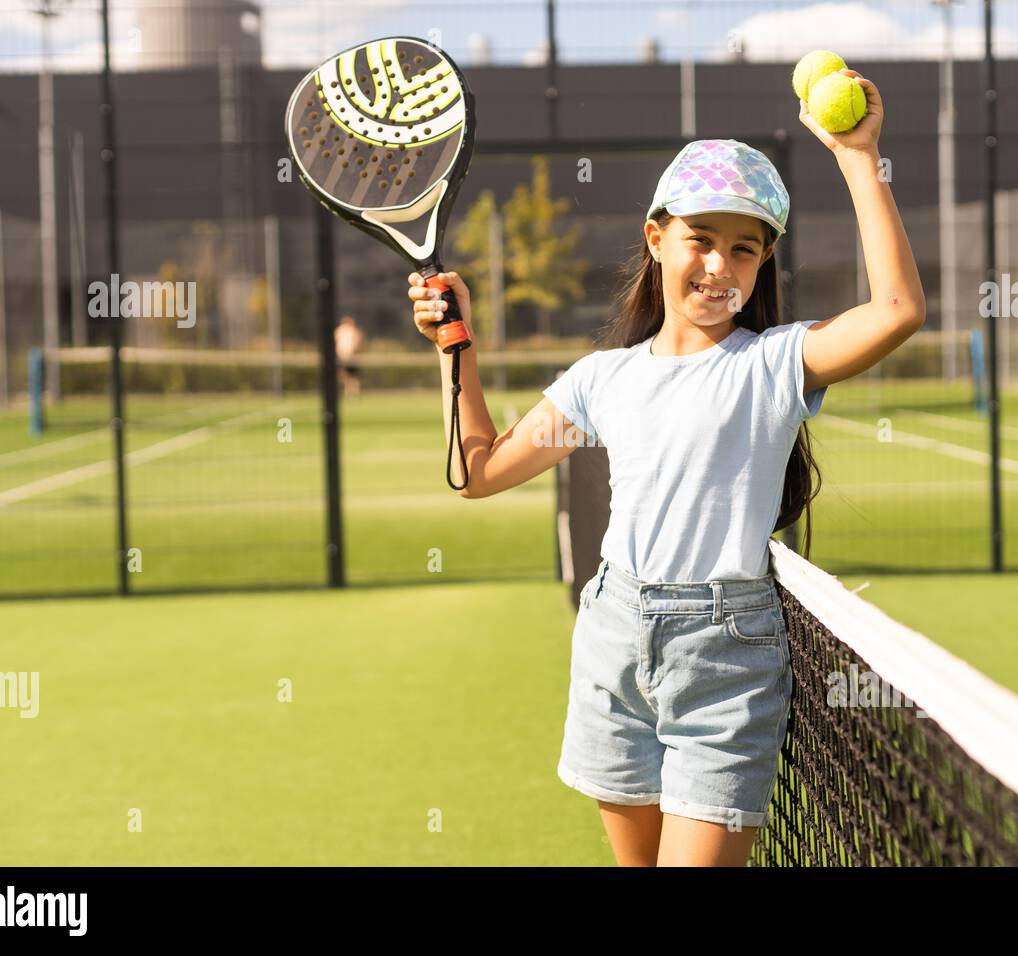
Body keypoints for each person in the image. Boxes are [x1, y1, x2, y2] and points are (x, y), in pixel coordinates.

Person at [406, 70, 924, 866]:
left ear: (762, 266)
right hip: (612, 635)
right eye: (701, 240)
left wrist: (858, 156)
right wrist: (457, 348)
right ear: (656, 239)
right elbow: (477, 470)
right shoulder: (600, 380)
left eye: (743, 249)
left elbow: (897, 312)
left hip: (727, 653)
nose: (720, 265)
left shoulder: (774, 364)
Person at [334, 314, 364, 397]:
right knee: (342, 374)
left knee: (353, 375)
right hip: (342, 356)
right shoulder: (340, 330)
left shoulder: (354, 331)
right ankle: (346, 390)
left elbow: (359, 342)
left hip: (351, 356)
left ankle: (352, 392)